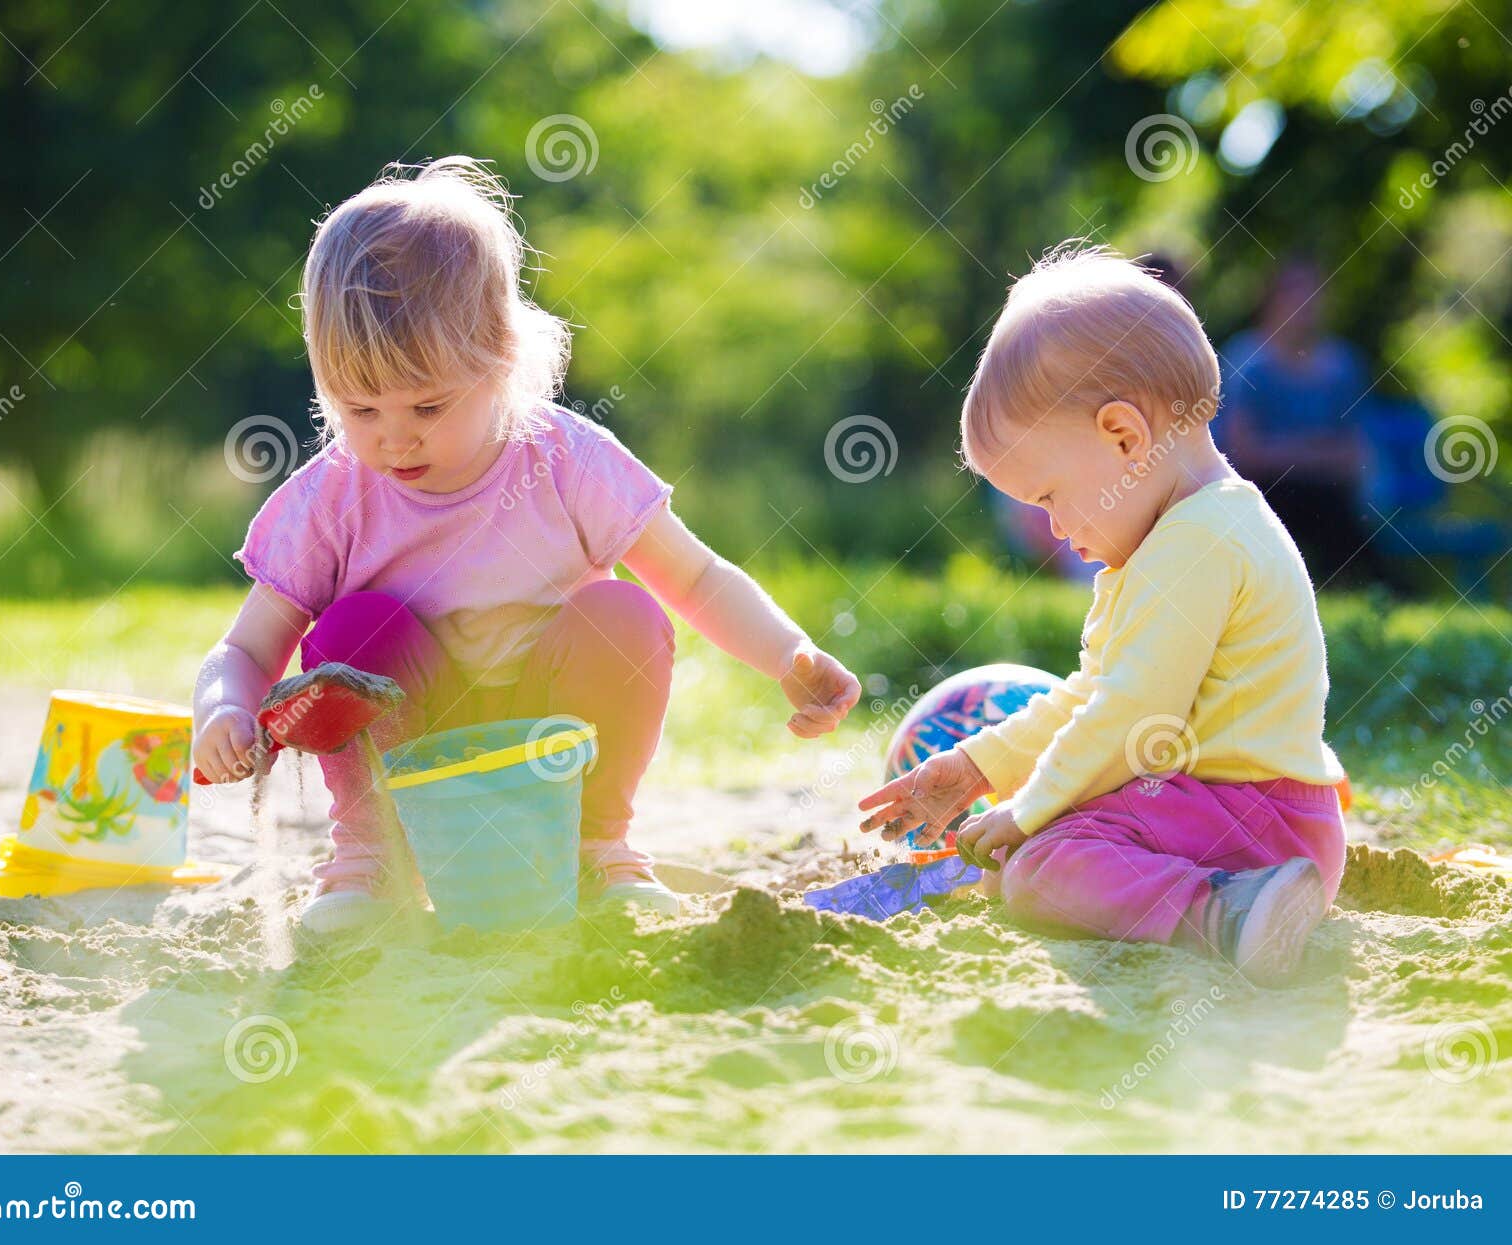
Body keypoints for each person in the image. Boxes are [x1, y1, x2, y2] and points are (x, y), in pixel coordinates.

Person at [192, 157, 859, 935]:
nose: (393, 435)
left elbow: (699, 578)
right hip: (416, 746)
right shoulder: (335, 495)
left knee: (627, 615)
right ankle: (372, 856)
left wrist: (791, 653)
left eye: (428, 403)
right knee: (348, 630)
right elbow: (246, 645)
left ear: (501, 356)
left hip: (554, 746)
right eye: (359, 407)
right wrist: (224, 706)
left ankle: (595, 844)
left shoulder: (565, 459)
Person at [858, 245, 1348, 987]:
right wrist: (978, 766)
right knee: (1035, 855)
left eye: (1050, 495)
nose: (1054, 528)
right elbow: (1091, 695)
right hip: (1241, 813)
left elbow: (1129, 719)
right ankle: (1237, 899)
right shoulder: (1176, 535)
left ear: (1125, 436)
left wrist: (1025, 812)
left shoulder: (1196, 544)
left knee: (1041, 866)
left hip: (1255, 822)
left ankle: (1230, 913)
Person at [1218, 259, 1380, 584]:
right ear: (1271, 298)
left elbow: (1357, 456)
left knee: (1336, 510)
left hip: (1328, 494)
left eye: (1314, 292)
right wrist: (1314, 451)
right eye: (1295, 291)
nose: (1305, 302)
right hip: (1265, 495)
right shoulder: (1247, 362)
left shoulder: (1342, 365)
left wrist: (1288, 452)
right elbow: (1242, 454)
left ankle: (1362, 588)